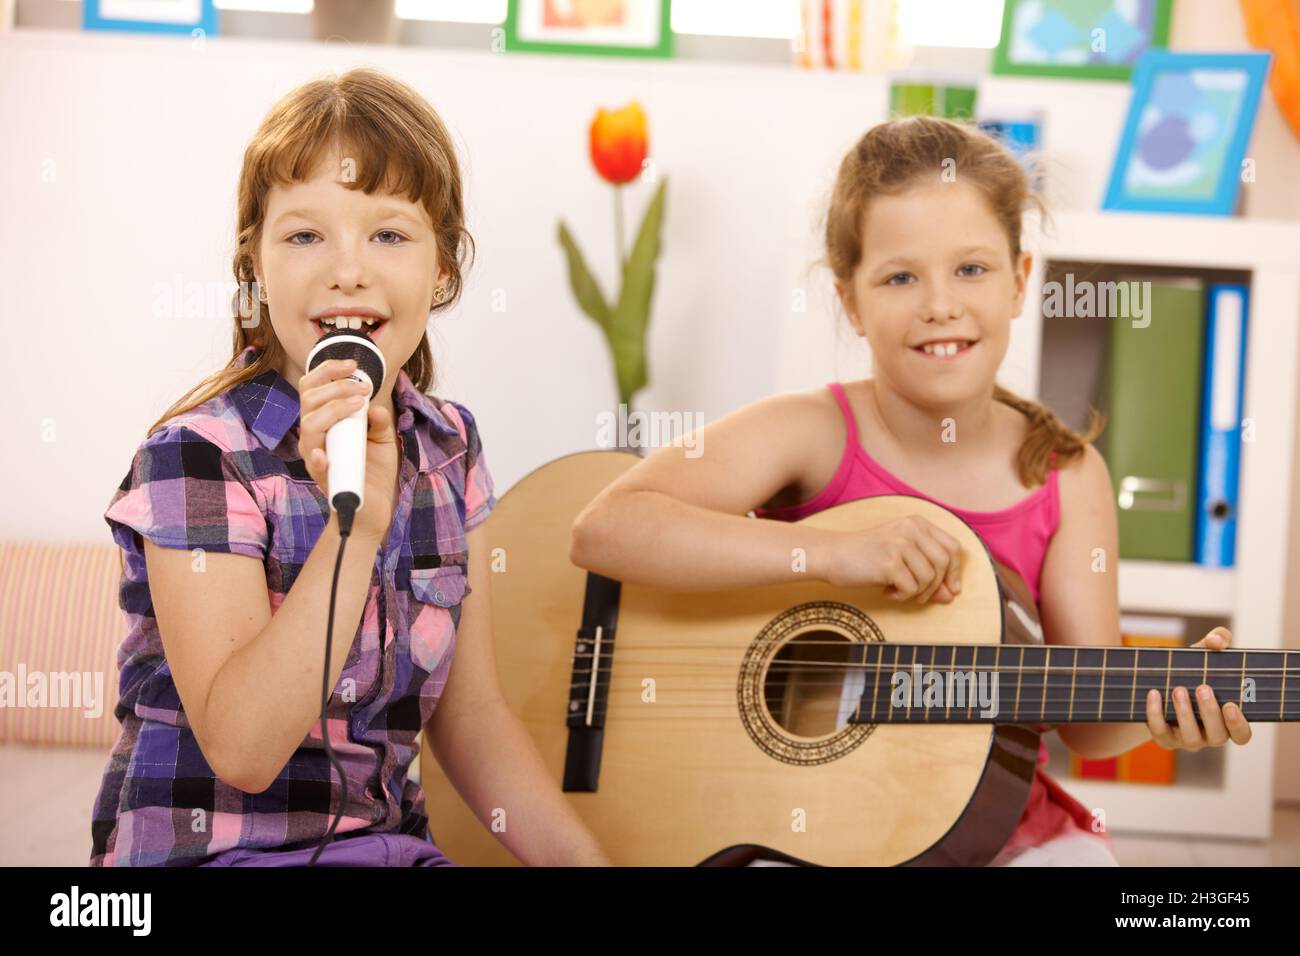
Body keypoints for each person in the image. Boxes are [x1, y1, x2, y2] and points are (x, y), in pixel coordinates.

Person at [569, 115, 1253, 867]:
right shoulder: (810, 432)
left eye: (971, 269)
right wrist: (836, 555)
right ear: (850, 301)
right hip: (796, 824)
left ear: (1020, 280)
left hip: (991, 829)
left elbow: (1088, 725)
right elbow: (606, 529)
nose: (940, 305)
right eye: (900, 277)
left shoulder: (1065, 474)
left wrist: (1167, 712)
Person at [90, 67, 609, 867]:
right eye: (305, 236)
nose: (348, 271)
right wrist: (354, 534)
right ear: (255, 268)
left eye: (389, 235)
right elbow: (244, 750)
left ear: (443, 269)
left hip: (384, 848)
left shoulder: (450, 448)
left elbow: (472, 723)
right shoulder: (195, 457)